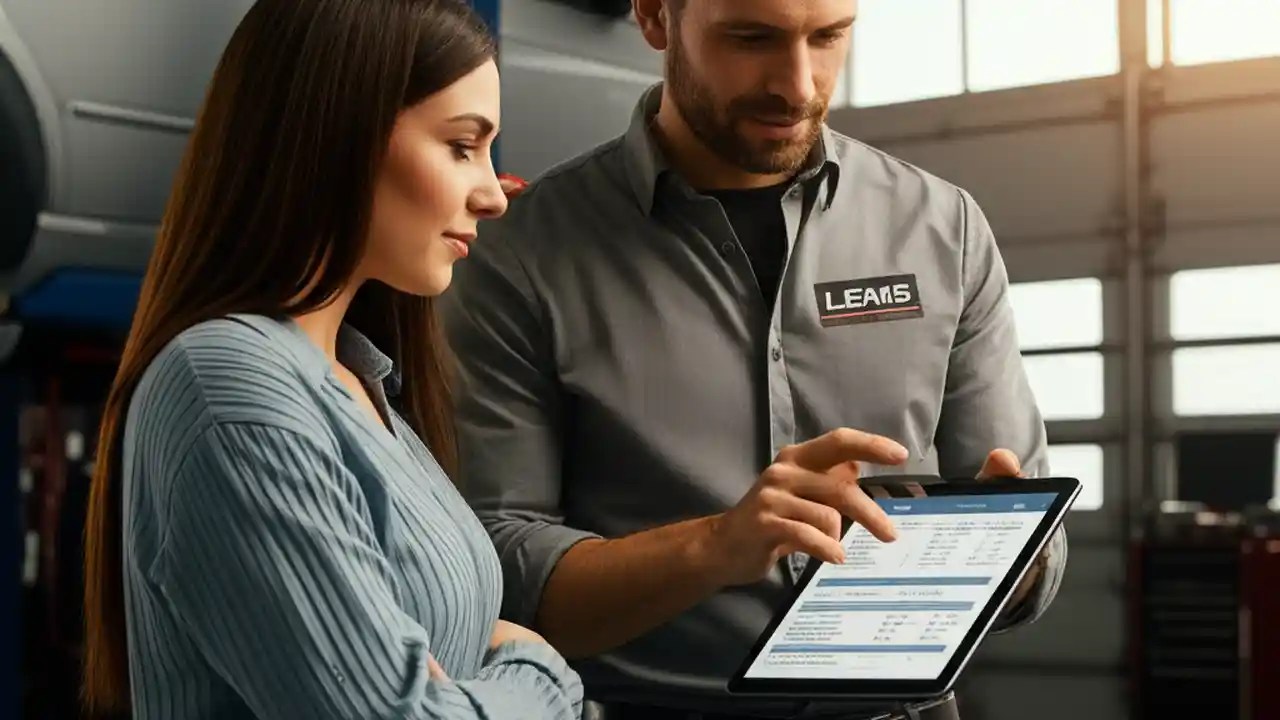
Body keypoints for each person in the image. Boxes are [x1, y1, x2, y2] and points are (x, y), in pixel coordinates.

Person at [440, 0, 1068, 718]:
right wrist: (715, 546)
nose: (798, 84)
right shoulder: (523, 253)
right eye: (751, 37)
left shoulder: (943, 230)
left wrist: (1006, 557)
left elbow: (1038, 549)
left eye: (829, 37)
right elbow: (496, 569)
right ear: (653, 17)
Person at [79, 1, 583, 718]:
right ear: (340, 133)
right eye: (462, 146)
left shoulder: (365, 386)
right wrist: (541, 669)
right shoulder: (233, 390)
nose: (491, 194)